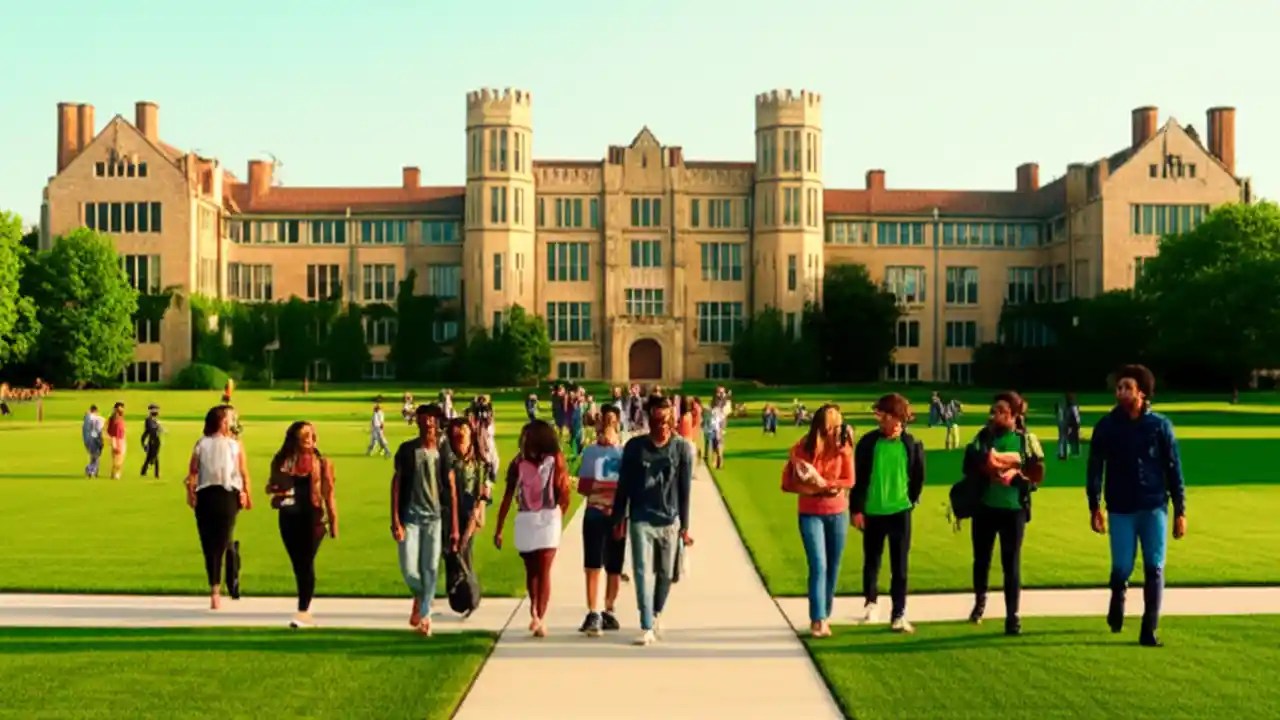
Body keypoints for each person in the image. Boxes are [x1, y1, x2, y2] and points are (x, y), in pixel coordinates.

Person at [1088, 364, 1187, 647]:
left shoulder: (1159, 426)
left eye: (1127, 387)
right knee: (1122, 566)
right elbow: (1095, 469)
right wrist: (1094, 505)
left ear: (1141, 392)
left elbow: (1173, 468)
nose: (1121, 392)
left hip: (1154, 505)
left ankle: (1149, 629)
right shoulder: (1106, 427)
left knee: (1155, 567)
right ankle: (1118, 596)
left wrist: (1180, 510)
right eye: (1119, 387)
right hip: (1120, 507)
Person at [612, 396, 695, 647]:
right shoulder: (635, 448)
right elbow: (623, 485)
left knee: (666, 574)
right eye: (658, 420)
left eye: (668, 420)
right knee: (641, 572)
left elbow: (684, 489)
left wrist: (685, 526)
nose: (663, 425)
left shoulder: (681, 448)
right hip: (641, 517)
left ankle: (656, 611)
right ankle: (646, 624)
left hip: (669, 519)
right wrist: (618, 518)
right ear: (649, 420)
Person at [963, 392, 1045, 636]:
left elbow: (1037, 472)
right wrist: (999, 464)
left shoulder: (1026, 440)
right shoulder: (983, 436)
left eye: (1001, 412)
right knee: (981, 559)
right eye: (993, 410)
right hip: (986, 507)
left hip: (1013, 510)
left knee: (1011, 563)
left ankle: (1013, 616)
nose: (995, 416)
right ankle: (979, 603)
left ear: (1015, 416)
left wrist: (1018, 475)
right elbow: (971, 463)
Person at [851, 393, 925, 633]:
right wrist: (857, 509)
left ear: (896, 417)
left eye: (882, 415)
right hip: (872, 510)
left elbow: (917, 478)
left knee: (900, 565)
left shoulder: (911, 445)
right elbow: (858, 478)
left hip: (900, 511)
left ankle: (899, 613)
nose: (879, 420)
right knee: (871, 561)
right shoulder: (868, 443)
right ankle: (871, 603)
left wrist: (910, 501)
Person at [783, 404, 854, 638]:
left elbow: (849, 479)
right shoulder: (803, 448)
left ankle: (825, 611)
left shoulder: (843, 448)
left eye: (838, 426)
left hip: (838, 512)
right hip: (811, 512)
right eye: (833, 426)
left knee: (833, 566)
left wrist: (830, 486)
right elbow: (790, 482)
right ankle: (818, 619)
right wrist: (814, 487)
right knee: (818, 565)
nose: (836, 431)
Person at [494, 419, 571, 638]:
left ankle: (540, 616)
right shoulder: (517, 463)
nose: (523, 440)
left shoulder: (555, 460)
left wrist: (558, 514)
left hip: (548, 518)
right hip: (526, 519)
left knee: (544, 569)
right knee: (532, 571)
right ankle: (534, 609)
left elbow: (564, 490)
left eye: (527, 437)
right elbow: (508, 496)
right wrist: (499, 528)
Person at [391, 403, 460, 637]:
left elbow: (451, 488)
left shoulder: (444, 451)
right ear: (418, 422)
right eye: (425, 419)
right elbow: (397, 483)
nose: (429, 424)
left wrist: (455, 528)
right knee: (410, 569)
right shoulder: (407, 450)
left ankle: (425, 617)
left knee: (430, 568)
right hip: (410, 516)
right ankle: (422, 597)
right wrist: (395, 520)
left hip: (434, 517)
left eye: (433, 419)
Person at [266, 421, 338, 628]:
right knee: (298, 564)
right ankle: (304, 607)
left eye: (312, 435)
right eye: (304, 435)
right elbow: (273, 486)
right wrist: (274, 490)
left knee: (306, 562)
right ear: (294, 439)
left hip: (314, 518)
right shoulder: (282, 461)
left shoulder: (323, 463)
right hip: (288, 517)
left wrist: (333, 521)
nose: (309, 438)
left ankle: (303, 611)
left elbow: (329, 493)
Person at [185, 405, 252, 610]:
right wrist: (190, 492)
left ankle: (219, 587)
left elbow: (242, 471)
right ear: (222, 422)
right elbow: (193, 472)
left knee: (219, 541)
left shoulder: (234, 445)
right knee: (211, 543)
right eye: (230, 419)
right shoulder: (202, 444)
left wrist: (246, 493)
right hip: (206, 494)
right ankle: (219, 583)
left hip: (228, 493)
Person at [576, 406, 627, 637]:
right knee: (603, 564)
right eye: (607, 421)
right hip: (606, 511)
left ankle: (601, 609)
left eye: (610, 421)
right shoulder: (602, 453)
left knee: (604, 565)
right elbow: (584, 487)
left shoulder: (614, 452)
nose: (607, 426)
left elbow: (585, 487)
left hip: (607, 512)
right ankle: (600, 609)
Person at [444, 417, 493, 617]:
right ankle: (458, 595)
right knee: (450, 556)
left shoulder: (480, 464)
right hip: (448, 514)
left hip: (469, 513)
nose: (460, 441)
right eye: (456, 437)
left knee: (464, 553)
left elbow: (484, 494)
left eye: (463, 434)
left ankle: (470, 595)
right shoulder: (448, 462)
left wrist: (479, 515)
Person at [1056, 392, 1082, 460]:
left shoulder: (1065, 404)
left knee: (1064, 436)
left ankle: (1065, 453)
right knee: (1065, 435)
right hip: (1067, 414)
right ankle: (1068, 453)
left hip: (1066, 414)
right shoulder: (1071, 405)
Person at [82, 405, 105, 478]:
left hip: (87, 440)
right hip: (94, 439)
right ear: (96, 411)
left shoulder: (86, 418)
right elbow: (97, 430)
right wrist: (99, 440)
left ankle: (95, 471)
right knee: (95, 456)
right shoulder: (96, 418)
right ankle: (90, 470)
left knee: (94, 456)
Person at [140, 404, 163, 478]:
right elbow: (150, 429)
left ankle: (143, 471)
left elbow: (159, 429)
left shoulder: (155, 420)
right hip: (152, 440)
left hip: (156, 440)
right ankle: (157, 473)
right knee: (155, 456)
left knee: (150, 457)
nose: (157, 411)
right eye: (155, 409)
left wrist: (160, 428)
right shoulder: (148, 420)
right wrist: (157, 426)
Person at [705, 401, 727, 470]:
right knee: (718, 447)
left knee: (716, 448)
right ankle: (718, 463)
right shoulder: (718, 411)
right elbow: (723, 421)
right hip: (717, 431)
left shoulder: (714, 411)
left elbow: (720, 421)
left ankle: (717, 463)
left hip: (715, 431)